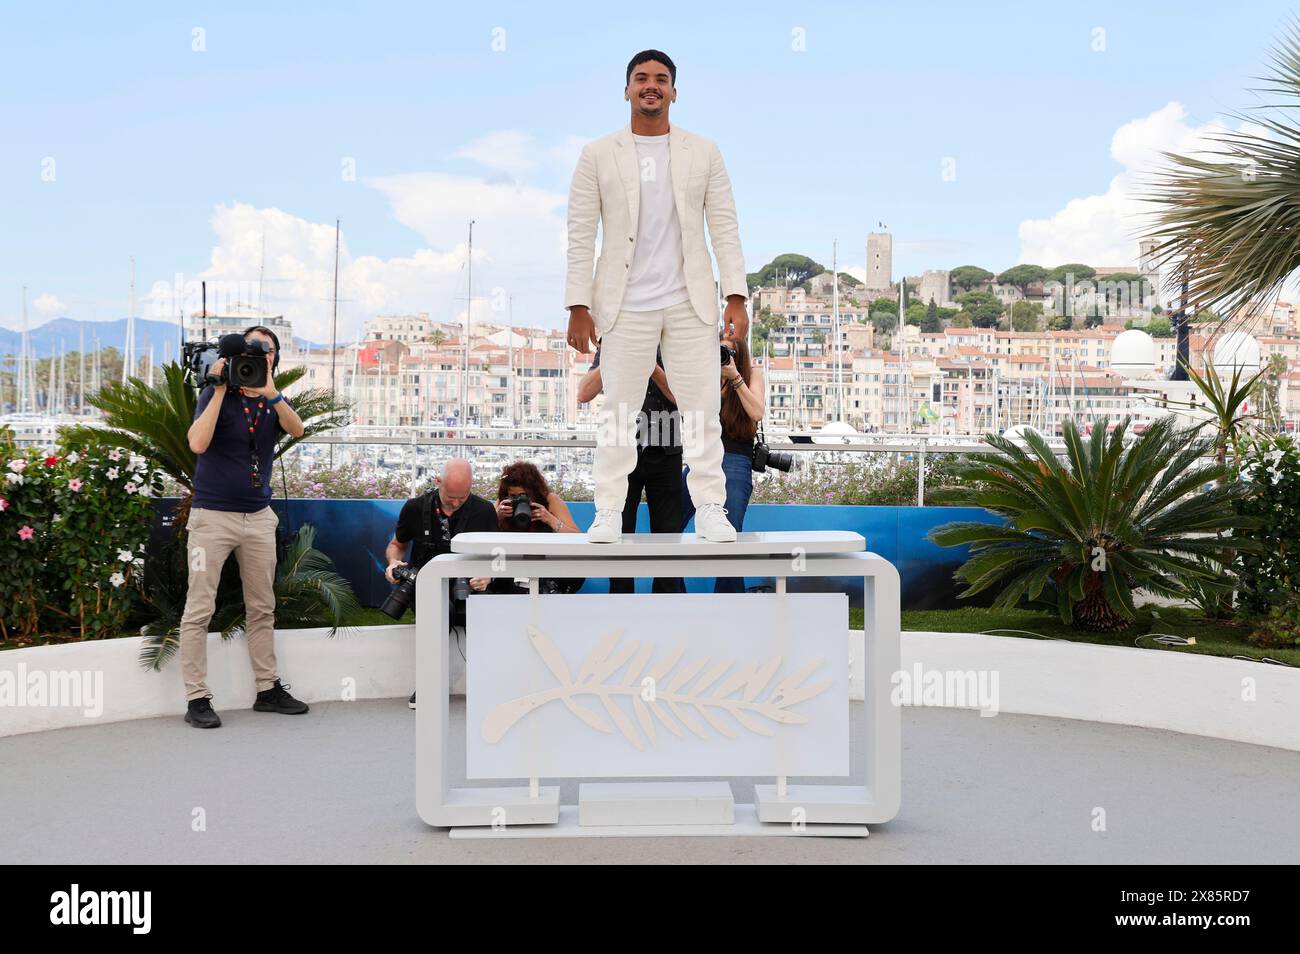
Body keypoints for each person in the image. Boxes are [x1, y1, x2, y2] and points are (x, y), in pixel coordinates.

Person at [565, 48, 749, 545]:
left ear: (674, 91)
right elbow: (580, 234)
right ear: (626, 89)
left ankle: (711, 508)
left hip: (690, 301)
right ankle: (608, 510)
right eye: (642, 78)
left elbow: (724, 227)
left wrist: (736, 295)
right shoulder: (597, 154)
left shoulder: (704, 151)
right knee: (618, 414)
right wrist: (578, 305)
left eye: (661, 79)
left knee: (702, 412)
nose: (652, 85)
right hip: (624, 303)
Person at [179, 325, 307, 729]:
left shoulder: (272, 399)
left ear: (275, 357)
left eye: (267, 349)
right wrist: (219, 389)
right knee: (199, 608)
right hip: (212, 518)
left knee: (262, 607)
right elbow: (197, 444)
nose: (259, 354)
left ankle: (267, 689)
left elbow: (298, 429)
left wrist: (272, 394)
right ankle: (197, 697)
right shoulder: (215, 393)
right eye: (253, 348)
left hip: (258, 517)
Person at [386, 458, 497, 709]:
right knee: (439, 611)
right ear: (438, 482)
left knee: (484, 612)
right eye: (451, 497)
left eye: (463, 497)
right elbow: (396, 545)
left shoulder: (483, 510)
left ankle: (488, 684)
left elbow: (497, 555)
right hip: (426, 585)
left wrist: (488, 575)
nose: (456, 503)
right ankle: (429, 684)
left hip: (470, 585)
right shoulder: (415, 508)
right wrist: (393, 563)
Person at [577, 342, 684, 593]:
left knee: (668, 536)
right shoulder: (615, 340)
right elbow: (584, 393)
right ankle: (620, 602)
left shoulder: (675, 340)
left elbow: (683, 398)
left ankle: (667, 602)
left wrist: (651, 365)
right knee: (618, 531)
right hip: (621, 450)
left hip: (666, 450)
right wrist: (613, 353)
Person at [681, 332, 765, 592]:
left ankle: (730, 599)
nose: (722, 356)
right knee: (671, 522)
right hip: (702, 460)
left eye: (728, 352)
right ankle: (672, 592)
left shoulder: (751, 374)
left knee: (730, 533)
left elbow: (757, 412)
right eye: (718, 351)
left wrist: (735, 378)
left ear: (740, 356)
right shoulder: (706, 376)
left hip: (735, 459)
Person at [485, 461, 585, 595]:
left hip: (547, 566)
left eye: (524, 496)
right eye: (513, 496)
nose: (519, 500)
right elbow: (484, 539)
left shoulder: (550, 500)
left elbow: (577, 536)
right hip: (512, 566)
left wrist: (550, 519)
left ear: (535, 492)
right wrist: (497, 518)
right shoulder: (503, 503)